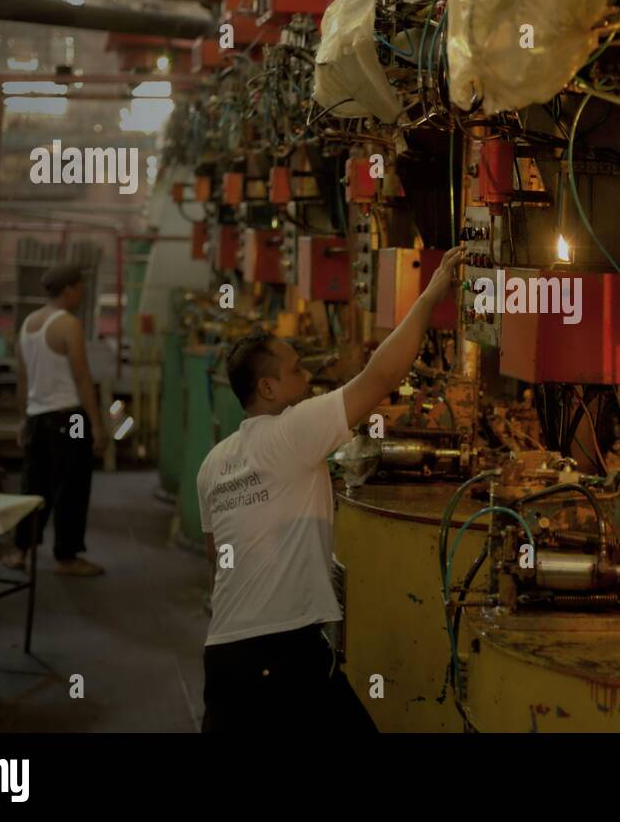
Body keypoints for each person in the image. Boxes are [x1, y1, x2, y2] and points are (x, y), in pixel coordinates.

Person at [198, 245, 463, 732]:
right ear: (269, 390)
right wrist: (431, 294)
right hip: (279, 654)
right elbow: (382, 376)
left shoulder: (213, 463)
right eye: (297, 369)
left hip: (223, 653)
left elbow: (218, 554)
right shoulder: (295, 431)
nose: (308, 376)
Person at [4, 264, 107, 576]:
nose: (82, 293)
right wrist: (97, 423)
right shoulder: (68, 325)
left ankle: (21, 551)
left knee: (33, 486)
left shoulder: (27, 324)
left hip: (37, 417)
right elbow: (81, 376)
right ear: (68, 291)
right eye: (80, 288)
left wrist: (23, 419)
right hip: (69, 417)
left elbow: (22, 379)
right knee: (72, 485)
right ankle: (67, 556)